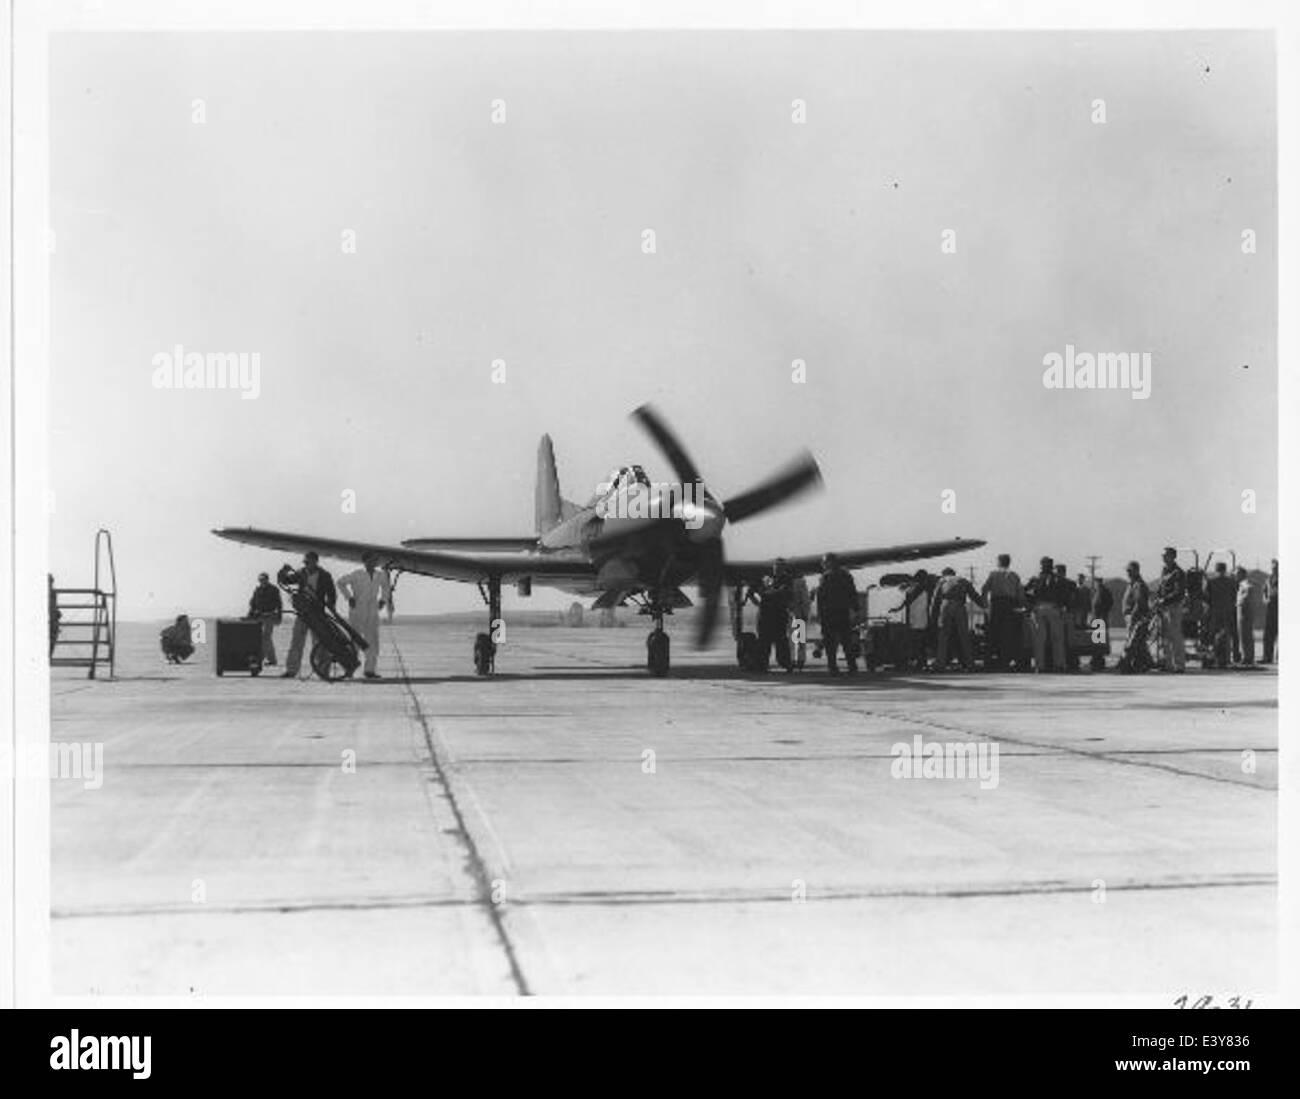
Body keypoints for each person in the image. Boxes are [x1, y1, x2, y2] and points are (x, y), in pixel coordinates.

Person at [282, 551, 338, 679]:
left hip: (318, 613)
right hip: (303, 612)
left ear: (315, 561)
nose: (306, 564)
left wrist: (331, 605)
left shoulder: (325, 575)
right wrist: (283, 572)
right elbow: (286, 581)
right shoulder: (301, 573)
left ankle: (323, 670)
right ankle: (291, 670)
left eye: (308, 562)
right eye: (305, 562)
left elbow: (331, 593)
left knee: (320, 643)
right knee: (296, 641)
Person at [337, 552, 393, 679]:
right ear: (365, 561)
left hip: (372, 610)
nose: (374, 562)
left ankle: (369, 670)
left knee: (373, 640)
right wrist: (349, 597)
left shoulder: (380, 575)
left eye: (375, 560)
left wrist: (383, 600)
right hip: (357, 610)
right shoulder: (357, 574)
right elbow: (340, 582)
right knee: (355, 641)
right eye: (371, 560)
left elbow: (386, 587)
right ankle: (349, 668)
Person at [932, 567, 985, 670]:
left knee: (943, 636)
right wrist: (984, 606)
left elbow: (935, 600)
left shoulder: (942, 580)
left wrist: (932, 616)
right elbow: (974, 595)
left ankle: (940, 663)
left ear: (944, 574)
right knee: (964, 635)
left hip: (946, 605)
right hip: (960, 606)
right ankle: (969, 663)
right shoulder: (963, 580)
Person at [816, 553, 859, 675]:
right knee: (847, 641)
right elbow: (852, 593)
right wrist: (856, 609)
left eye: (824, 562)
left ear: (830, 563)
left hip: (829, 614)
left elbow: (821, 597)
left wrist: (819, 614)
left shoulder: (825, 577)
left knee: (830, 643)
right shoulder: (846, 575)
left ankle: (833, 668)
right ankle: (852, 666)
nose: (823, 565)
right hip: (843, 612)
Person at [1023, 557, 1065, 672]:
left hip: (1039, 608)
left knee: (1039, 639)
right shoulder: (1057, 579)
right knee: (1057, 638)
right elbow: (1064, 594)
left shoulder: (1036, 579)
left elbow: (1024, 591)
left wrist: (1031, 603)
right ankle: (1059, 665)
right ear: (1052, 566)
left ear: (1041, 566)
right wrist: (1061, 605)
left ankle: (1040, 666)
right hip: (1054, 608)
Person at [980, 555, 1022, 670]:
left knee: (992, 632)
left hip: (996, 604)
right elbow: (1020, 593)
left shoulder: (993, 574)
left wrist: (985, 605)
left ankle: (988, 662)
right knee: (1007, 633)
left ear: (999, 562)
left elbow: (984, 589)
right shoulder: (1014, 575)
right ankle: (1004, 662)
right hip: (1010, 605)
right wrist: (1020, 606)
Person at [1154, 547, 1187, 672]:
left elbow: (1179, 592)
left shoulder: (1178, 573)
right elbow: (1161, 588)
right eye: (1162, 555)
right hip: (1163, 608)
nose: (1163, 557)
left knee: (1175, 636)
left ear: (1172, 556)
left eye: (1165, 555)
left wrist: (1165, 600)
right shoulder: (1164, 571)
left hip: (1173, 607)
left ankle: (1179, 665)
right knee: (1165, 637)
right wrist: (1157, 599)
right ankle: (1168, 663)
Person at [896, 569, 935, 670]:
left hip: (917, 619)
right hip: (921, 619)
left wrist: (899, 608)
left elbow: (909, 599)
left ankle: (919, 662)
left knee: (917, 642)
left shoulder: (916, 588)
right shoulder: (924, 587)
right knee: (920, 642)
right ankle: (921, 662)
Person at [1203, 562, 1236, 669]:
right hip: (1227, 612)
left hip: (1214, 612)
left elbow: (1205, 597)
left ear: (1216, 569)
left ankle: (1211, 659)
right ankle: (1225, 660)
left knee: (1211, 637)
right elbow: (1234, 596)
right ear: (1225, 569)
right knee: (1226, 636)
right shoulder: (1231, 581)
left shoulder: (1210, 581)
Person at [247, 571, 284, 667]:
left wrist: (279, 616)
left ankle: (266, 659)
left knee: (266, 637)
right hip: (259, 617)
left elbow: (279, 604)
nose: (262, 581)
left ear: (267, 579)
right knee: (262, 638)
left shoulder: (274, 590)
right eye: (260, 580)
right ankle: (268, 659)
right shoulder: (258, 590)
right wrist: (250, 615)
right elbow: (253, 603)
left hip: (270, 616)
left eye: (263, 579)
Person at [785, 563, 811, 670]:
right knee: (800, 639)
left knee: (791, 639)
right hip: (799, 614)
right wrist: (805, 613)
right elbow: (805, 600)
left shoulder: (787, 582)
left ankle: (791, 660)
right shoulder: (801, 583)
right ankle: (800, 660)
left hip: (789, 614)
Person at [1089, 575, 1114, 670]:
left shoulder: (1101, 591)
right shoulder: (1098, 591)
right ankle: (1096, 660)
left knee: (1098, 641)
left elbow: (1108, 603)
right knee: (1097, 641)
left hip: (1099, 619)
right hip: (1098, 618)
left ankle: (1097, 661)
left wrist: (1103, 612)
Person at [1236, 566, 1258, 666]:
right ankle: (1249, 657)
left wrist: (1241, 601)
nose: (1235, 576)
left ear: (1241, 574)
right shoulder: (1242, 583)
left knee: (1245, 636)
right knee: (1246, 635)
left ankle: (1247, 658)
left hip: (1244, 611)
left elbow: (1250, 588)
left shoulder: (1244, 583)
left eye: (1237, 574)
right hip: (1244, 611)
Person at [1263, 559, 1278, 664]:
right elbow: (1264, 591)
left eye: (1276, 568)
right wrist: (1265, 599)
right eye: (1273, 568)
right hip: (1270, 607)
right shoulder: (1268, 579)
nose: (1274, 570)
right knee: (1268, 633)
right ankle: (1267, 657)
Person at [48, 573, 62, 658]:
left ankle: (49, 657)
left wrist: (57, 612)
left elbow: (54, 606)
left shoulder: (53, 593)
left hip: (53, 622)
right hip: (50, 622)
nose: (50, 584)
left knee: (52, 642)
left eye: (51, 582)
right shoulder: (43, 593)